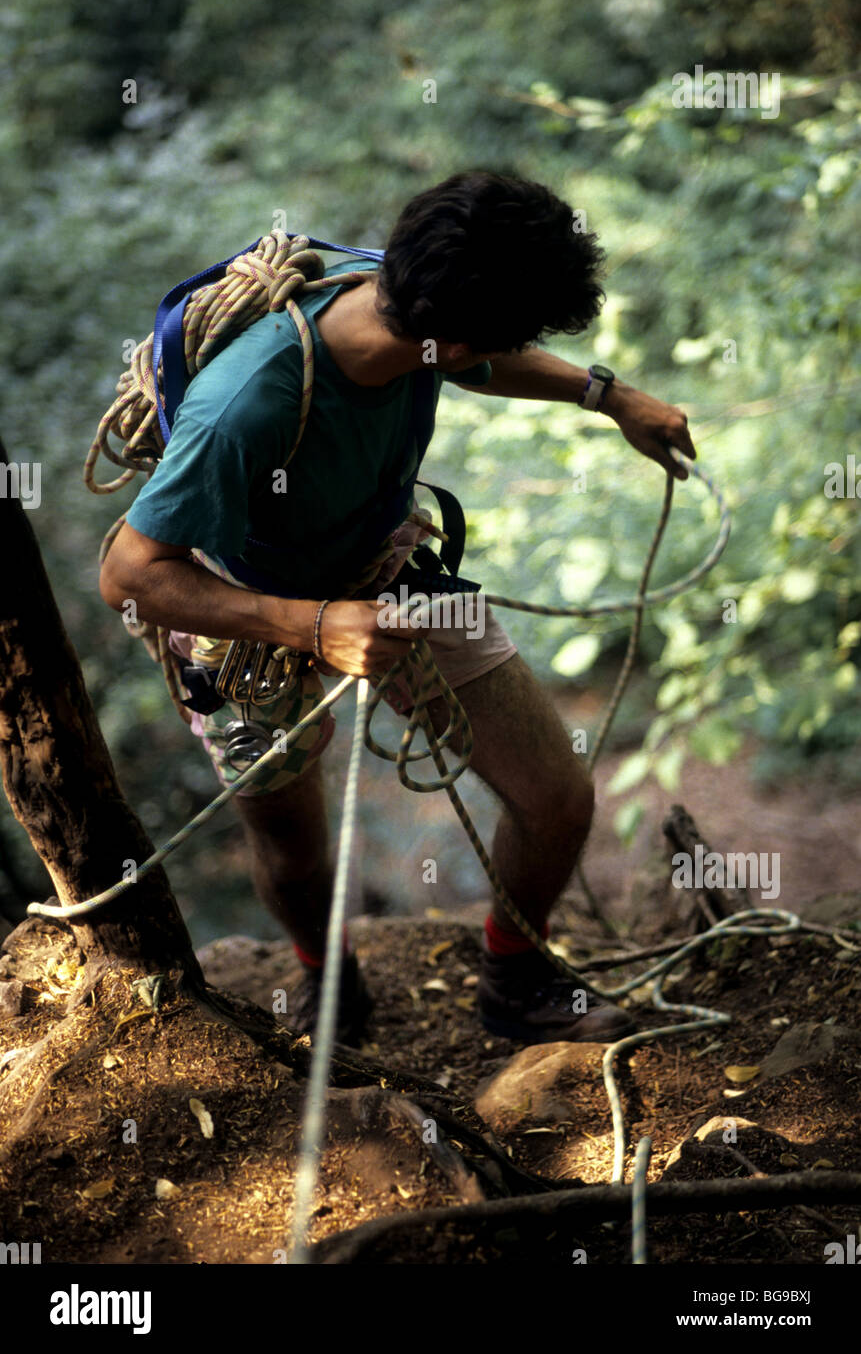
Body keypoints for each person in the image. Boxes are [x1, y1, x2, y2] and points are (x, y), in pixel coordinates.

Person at [99, 170, 696, 1047]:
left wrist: (606, 396)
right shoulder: (247, 404)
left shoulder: (409, 297)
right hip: (238, 622)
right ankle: (322, 972)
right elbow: (128, 573)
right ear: (449, 340)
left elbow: (484, 356)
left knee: (556, 798)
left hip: (388, 571)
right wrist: (308, 626)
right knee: (294, 847)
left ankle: (515, 978)